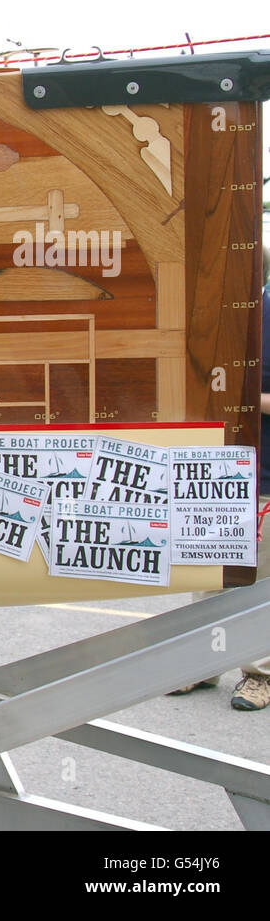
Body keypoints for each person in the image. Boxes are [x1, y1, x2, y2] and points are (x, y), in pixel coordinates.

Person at [168, 262, 270, 710]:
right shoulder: (211, 317)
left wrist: (242, 400)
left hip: (262, 475)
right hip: (213, 471)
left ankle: (259, 674)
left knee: (258, 580)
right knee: (209, 574)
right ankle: (201, 665)